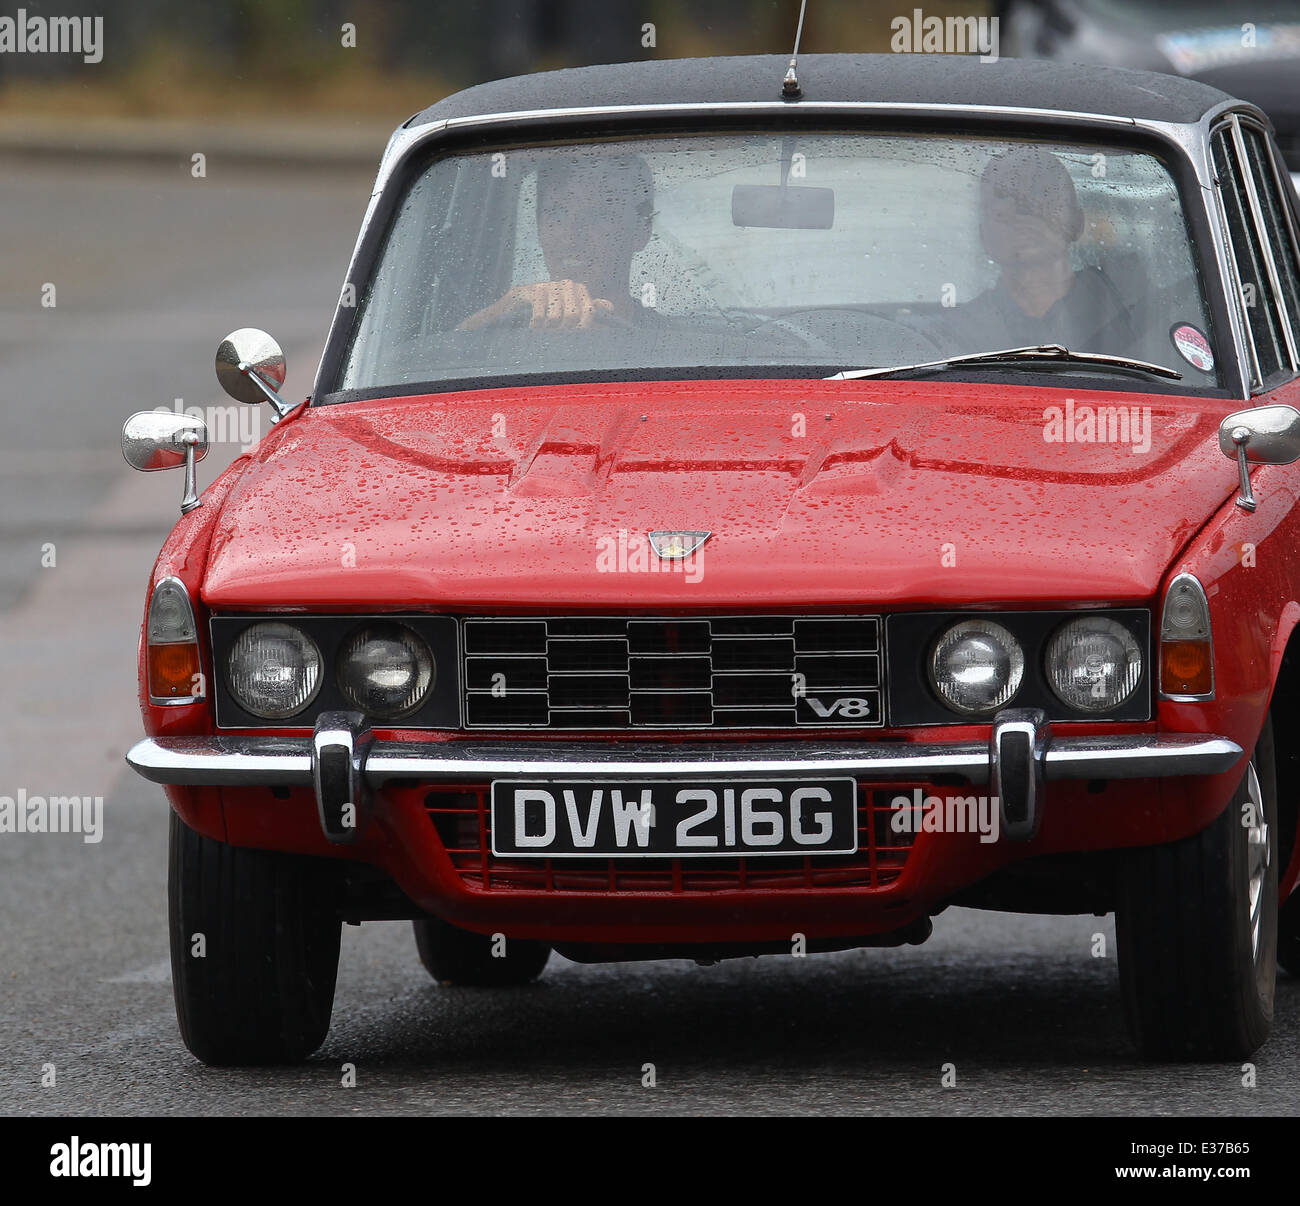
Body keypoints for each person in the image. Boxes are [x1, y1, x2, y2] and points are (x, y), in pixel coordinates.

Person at [936, 145, 1131, 354]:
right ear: (984, 236)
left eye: (1041, 202)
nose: (1022, 219)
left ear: (1076, 222)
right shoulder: (956, 333)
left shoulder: (1131, 312)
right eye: (1003, 207)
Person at [458, 152, 655, 332]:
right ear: (538, 225)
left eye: (598, 216)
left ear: (641, 231)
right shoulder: (501, 336)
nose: (571, 237)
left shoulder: (675, 343)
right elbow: (437, 355)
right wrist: (506, 307)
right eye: (556, 216)